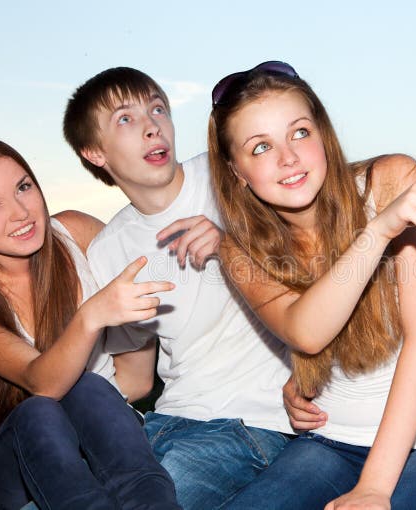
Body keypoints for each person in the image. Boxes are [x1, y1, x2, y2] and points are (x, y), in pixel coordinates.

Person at [207, 61, 416, 510]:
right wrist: (377, 233)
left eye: (299, 132)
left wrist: (374, 487)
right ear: (236, 170)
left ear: (323, 134)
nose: (288, 158)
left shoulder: (389, 181)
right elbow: (306, 331)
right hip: (330, 439)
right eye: (260, 147)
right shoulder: (238, 250)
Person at [62, 67, 295, 510]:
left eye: (157, 108)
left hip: (248, 425)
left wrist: (232, 247)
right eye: (126, 119)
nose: (153, 125)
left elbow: (313, 260)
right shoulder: (110, 251)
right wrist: (11, 402)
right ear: (95, 152)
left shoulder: (230, 173)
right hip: (163, 423)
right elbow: (134, 376)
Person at [0, 136, 181, 510]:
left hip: (104, 430)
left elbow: (137, 382)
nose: (20, 213)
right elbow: (41, 383)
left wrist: (88, 416)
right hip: (19, 452)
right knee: (41, 410)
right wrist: (90, 315)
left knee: (88, 389)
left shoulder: (76, 233)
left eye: (23, 187)